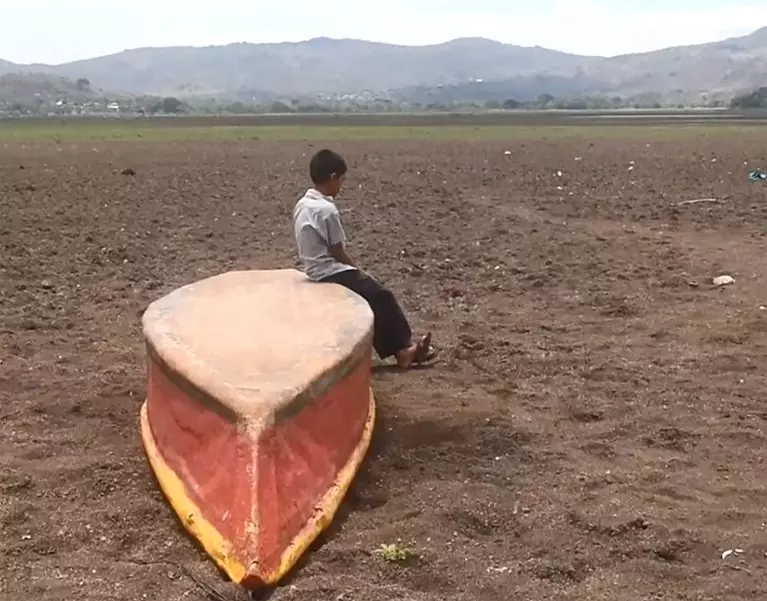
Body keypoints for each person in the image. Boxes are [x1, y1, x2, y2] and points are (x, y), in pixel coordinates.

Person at [293, 148, 437, 369]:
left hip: (312, 268)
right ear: (332, 179)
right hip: (329, 270)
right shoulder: (326, 210)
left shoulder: (302, 204)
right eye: (341, 181)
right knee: (381, 296)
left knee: (373, 294)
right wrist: (358, 271)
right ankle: (404, 351)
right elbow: (337, 251)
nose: (341, 186)